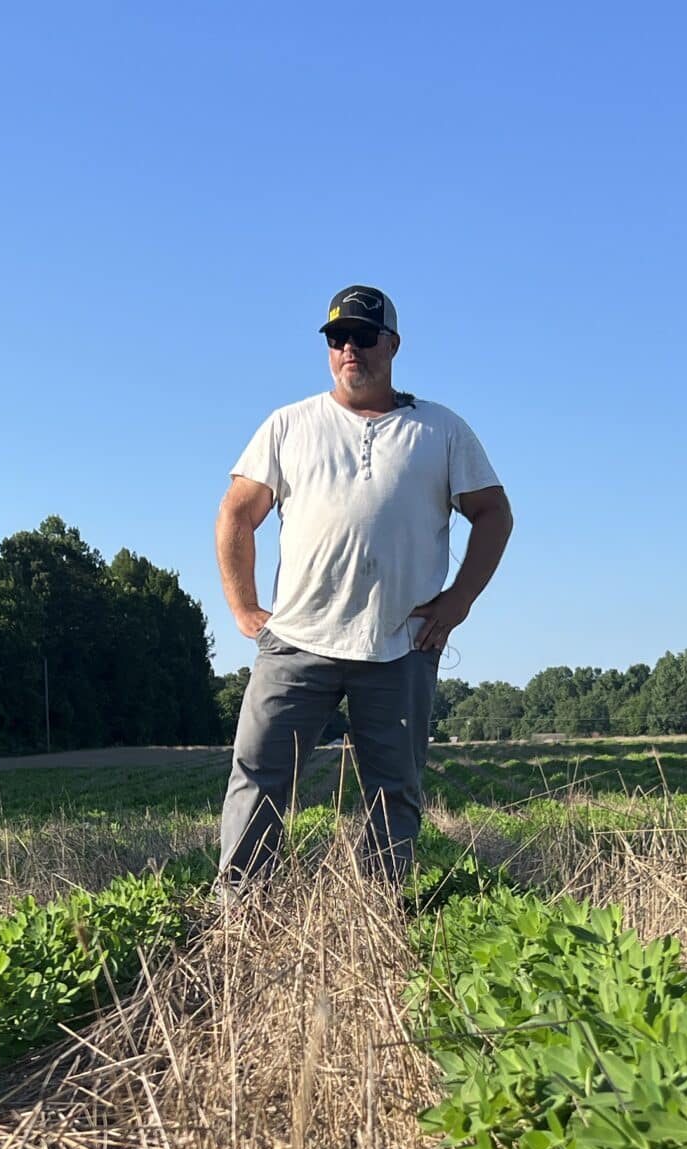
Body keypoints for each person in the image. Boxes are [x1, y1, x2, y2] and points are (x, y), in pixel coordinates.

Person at [213, 285, 514, 892]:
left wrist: (457, 602)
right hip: (296, 643)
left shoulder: (440, 429)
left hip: (399, 645)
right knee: (258, 777)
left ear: (393, 345)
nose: (350, 348)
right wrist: (244, 607)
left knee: (393, 790)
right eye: (337, 338)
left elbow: (494, 514)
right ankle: (239, 912)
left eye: (364, 336)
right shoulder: (288, 425)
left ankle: (379, 910)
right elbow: (236, 514)